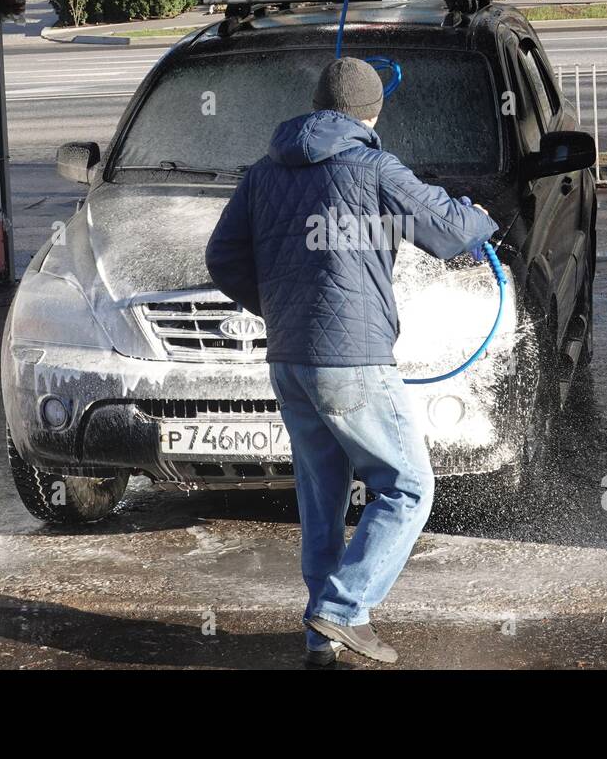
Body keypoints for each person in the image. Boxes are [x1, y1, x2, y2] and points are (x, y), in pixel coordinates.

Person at [205, 58, 497, 665]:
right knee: (409, 487)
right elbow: (448, 230)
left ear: (315, 105)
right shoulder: (374, 169)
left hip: (289, 359)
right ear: (374, 110)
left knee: (322, 494)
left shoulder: (263, 173)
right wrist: (483, 216)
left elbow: (223, 257)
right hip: (353, 361)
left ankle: (322, 639)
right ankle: (342, 609)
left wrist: (281, 307)